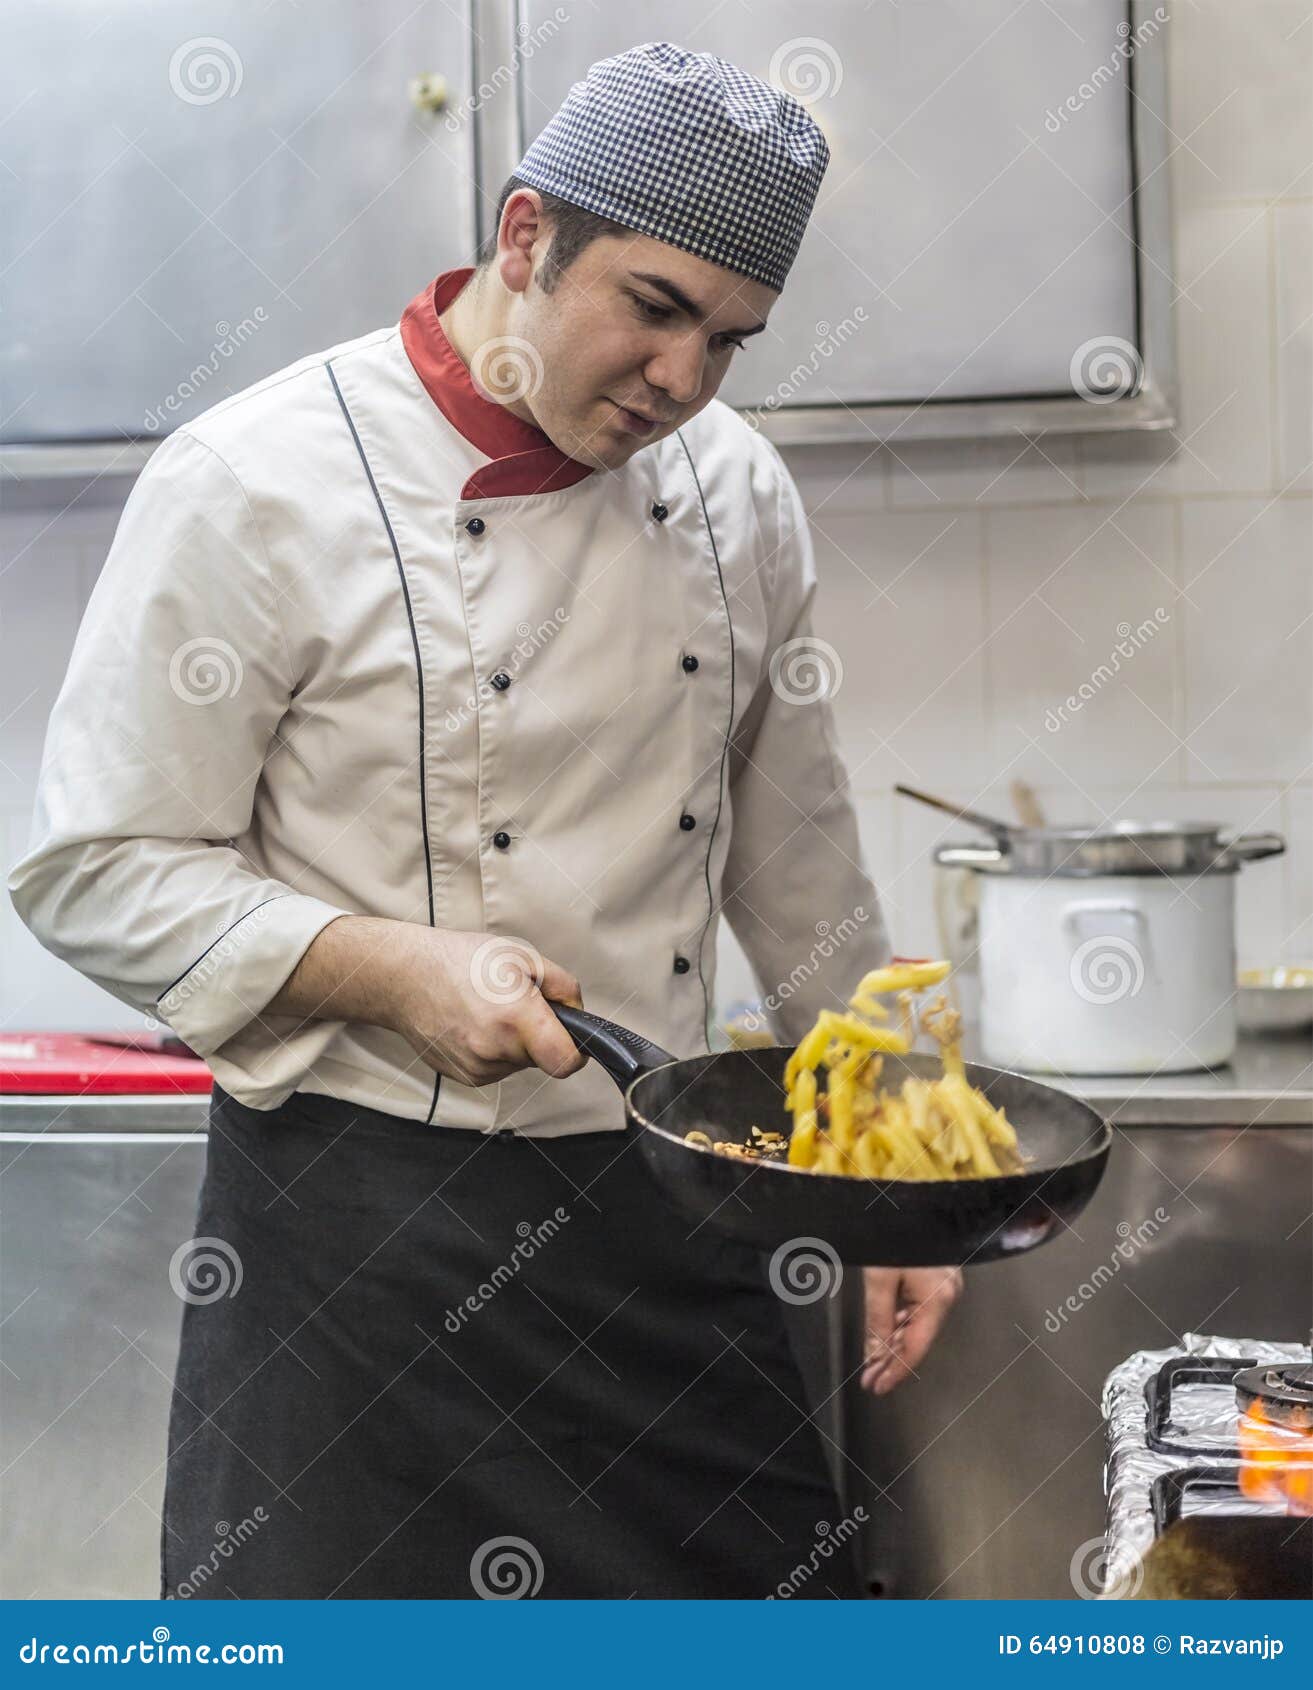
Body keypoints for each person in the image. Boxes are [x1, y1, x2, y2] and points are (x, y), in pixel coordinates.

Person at [10, 41, 960, 1599]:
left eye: (729, 338)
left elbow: (802, 870)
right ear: (525, 239)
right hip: (355, 1253)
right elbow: (94, 867)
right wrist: (391, 967)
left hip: (672, 1230)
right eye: (650, 308)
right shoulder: (256, 479)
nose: (682, 380)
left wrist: (901, 1151)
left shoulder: (734, 492)